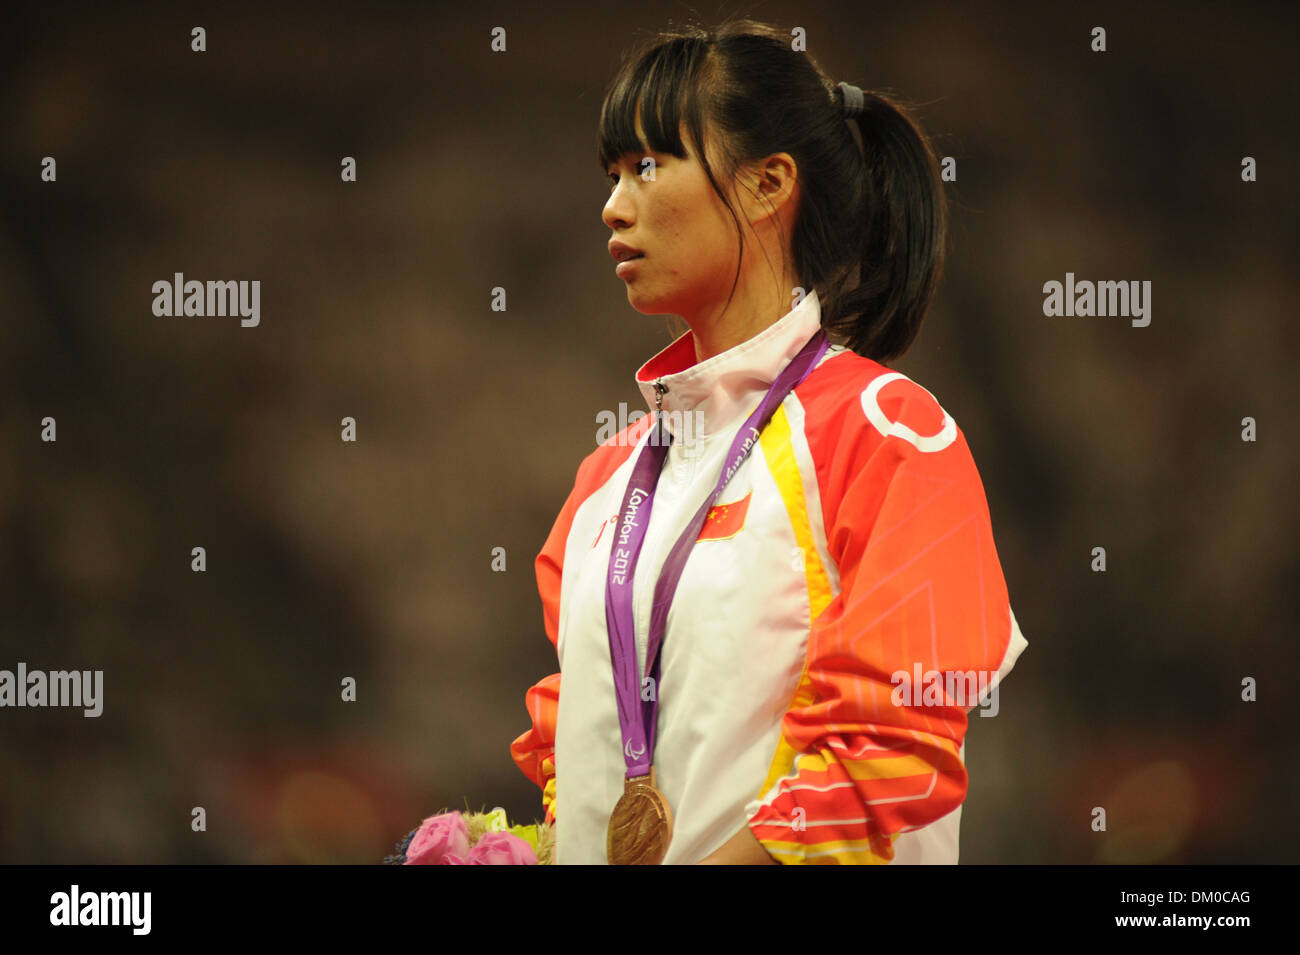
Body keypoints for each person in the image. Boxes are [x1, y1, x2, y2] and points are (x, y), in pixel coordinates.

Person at [510, 18, 1028, 865]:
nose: (612, 204)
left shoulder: (893, 434)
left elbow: (890, 765)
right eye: (611, 174)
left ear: (767, 184)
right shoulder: (607, 478)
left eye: (647, 165)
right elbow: (575, 747)